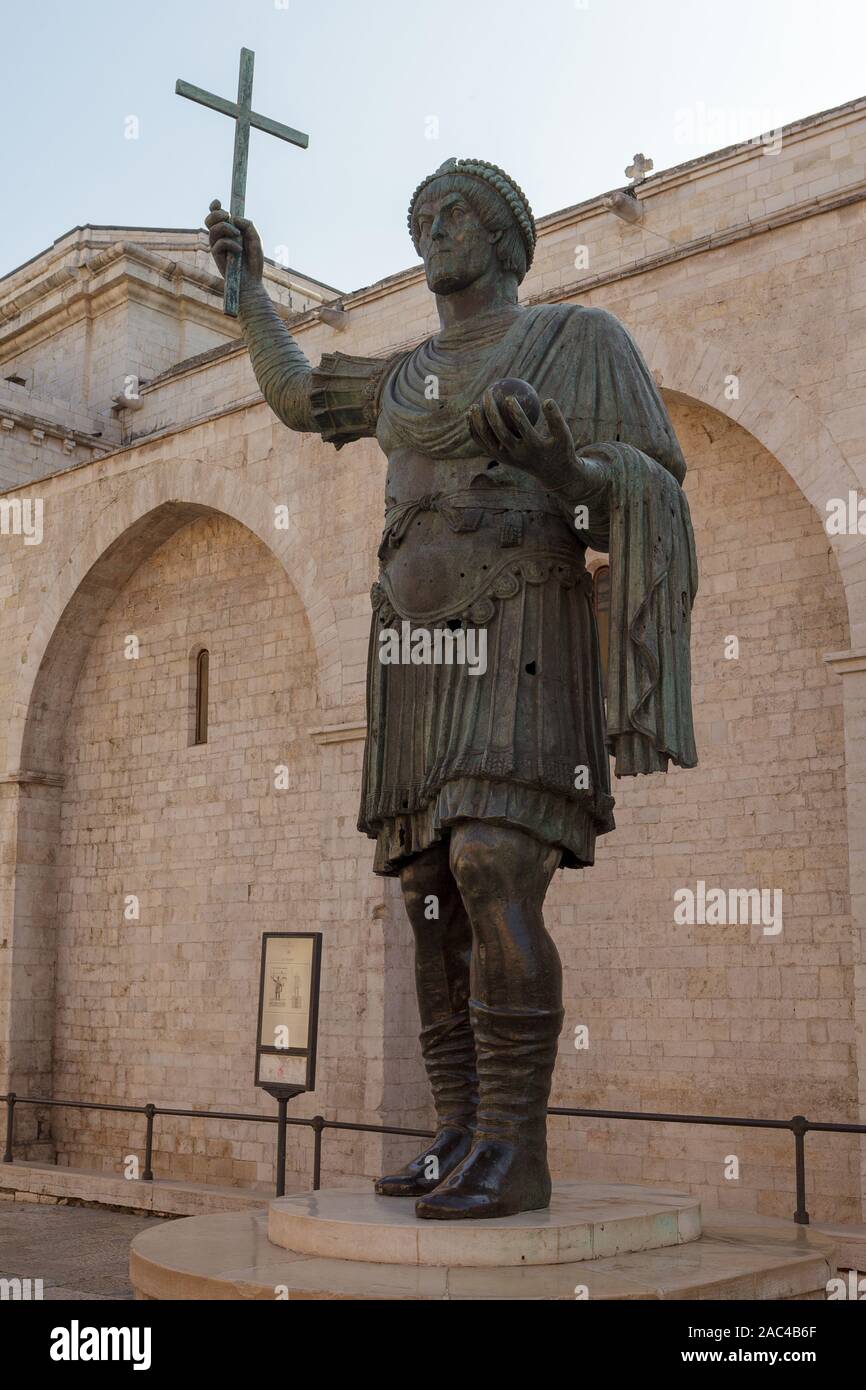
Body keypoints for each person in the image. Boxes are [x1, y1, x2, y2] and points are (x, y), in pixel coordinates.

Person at [206, 157, 697, 1219]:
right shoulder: (402, 377)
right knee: (430, 894)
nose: (432, 227)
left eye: (456, 213)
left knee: (488, 860)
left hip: (521, 625)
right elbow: (298, 394)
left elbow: (646, 488)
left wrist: (569, 475)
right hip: (412, 655)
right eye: (420, 215)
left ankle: (515, 1147)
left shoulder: (576, 341)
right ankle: (456, 1135)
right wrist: (251, 302)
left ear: (508, 238)